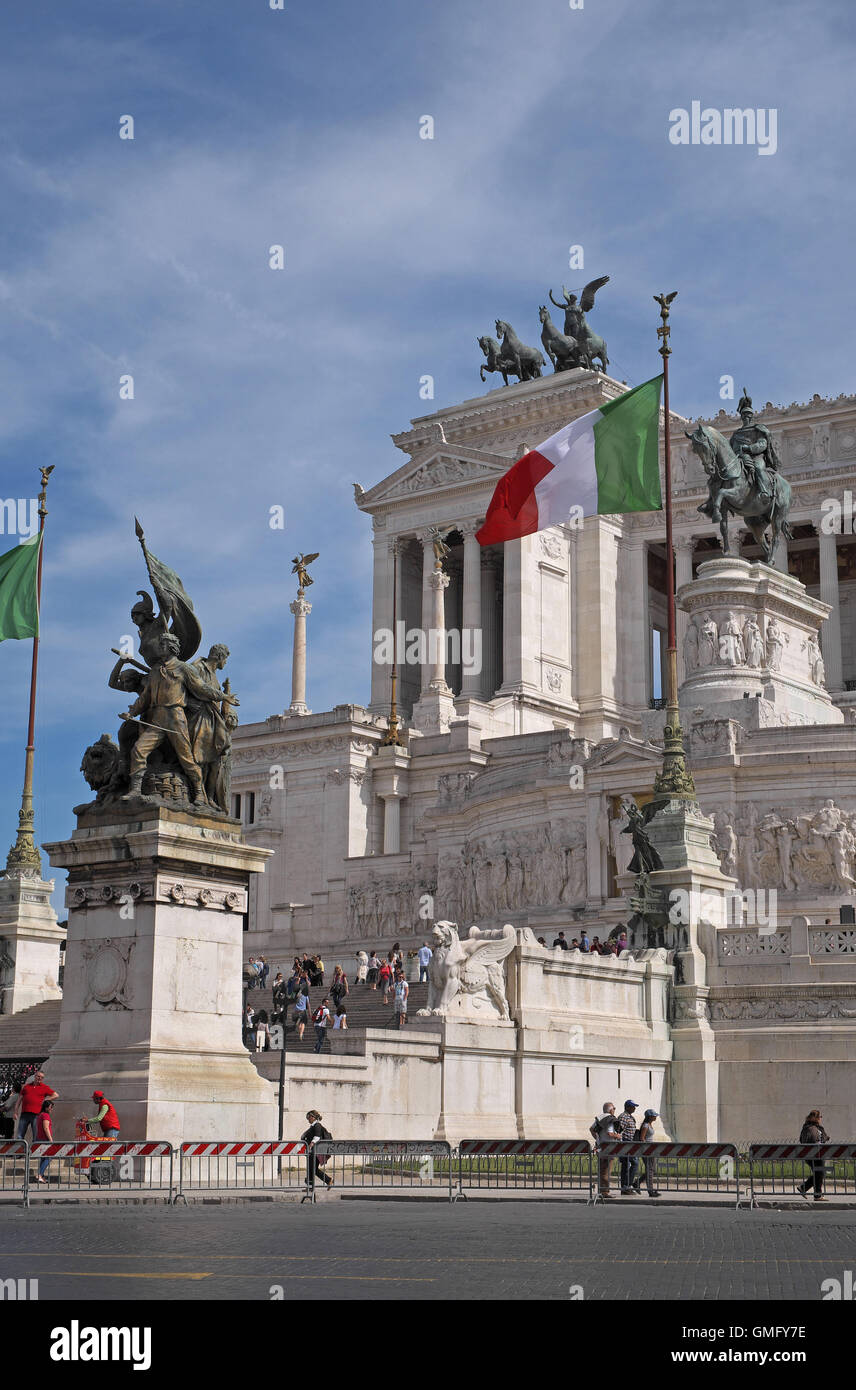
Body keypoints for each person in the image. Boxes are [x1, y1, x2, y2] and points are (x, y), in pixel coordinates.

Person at [797, 1109, 829, 1201]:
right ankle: (817, 1195)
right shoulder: (809, 1128)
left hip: (819, 1153)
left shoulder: (816, 1127)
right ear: (815, 1118)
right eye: (820, 1117)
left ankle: (804, 1188)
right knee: (819, 1172)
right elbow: (812, 1139)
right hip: (813, 1154)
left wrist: (825, 1138)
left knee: (819, 1172)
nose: (820, 1118)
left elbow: (820, 1138)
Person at [18, 1071, 58, 1141]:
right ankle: (19, 1151)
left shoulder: (44, 1087)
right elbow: (19, 1099)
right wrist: (15, 1111)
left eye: (42, 1077)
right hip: (25, 1114)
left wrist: (46, 1099)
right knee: (20, 1136)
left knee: (36, 1136)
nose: (40, 1078)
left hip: (36, 1115)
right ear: (35, 1076)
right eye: (38, 1076)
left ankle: (34, 1151)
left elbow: (56, 1095)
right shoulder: (26, 1086)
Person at [590, 1102, 619, 1199]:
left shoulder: (600, 1118)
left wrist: (598, 1139)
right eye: (614, 1108)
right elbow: (610, 1133)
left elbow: (591, 1129)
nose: (614, 1110)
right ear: (611, 1110)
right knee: (606, 1170)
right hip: (609, 1148)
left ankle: (602, 1190)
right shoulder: (610, 1119)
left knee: (602, 1170)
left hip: (601, 1147)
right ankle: (605, 1191)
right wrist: (618, 1136)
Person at [301, 1110, 334, 1190]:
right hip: (313, 1151)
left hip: (316, 1151)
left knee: (312, 1169)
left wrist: (311, 1143)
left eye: (308, 1117)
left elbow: (317, 1136)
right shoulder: (313, 1126)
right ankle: (323, 1181)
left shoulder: (317, 1125)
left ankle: (326, 1181)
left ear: (313, 1117)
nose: (308, 1119)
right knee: (312, 1169)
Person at [638, 1109, 661, 1197]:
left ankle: (638, 1182)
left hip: (651, 1150)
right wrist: (646, 1150)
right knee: (650, 1170)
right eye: (654, 1115)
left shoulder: (649, 1125)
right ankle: (650, 1191)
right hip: (647, 1151)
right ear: (650, 1116)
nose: (655, 1117)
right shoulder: (645, 1125)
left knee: (652, 1169)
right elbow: (642, 1138)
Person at [618, 1100, 640, 1194]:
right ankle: (627, 1185)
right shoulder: (624, 1117)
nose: (634, 1108)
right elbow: (619, 1130)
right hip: (625, 1144)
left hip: (630, 1144)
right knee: (634, 1163)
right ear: (627, 1107)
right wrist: (621, 1145)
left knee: (626, 1165)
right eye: (632, 1106)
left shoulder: (630, 1117)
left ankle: (625, 1187)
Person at [34, 1100, 54, 1185]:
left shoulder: (40, 1115)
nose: (52, 1109)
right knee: (49, 1157)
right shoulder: (45, 1115)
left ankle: (41, 1176)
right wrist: (51, 1140)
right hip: (45, 1140)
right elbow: (46, 1128)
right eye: (51, 1107)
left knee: (43, 1158)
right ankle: (39, 1175)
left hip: (39, 1139)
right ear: (46, 1107)